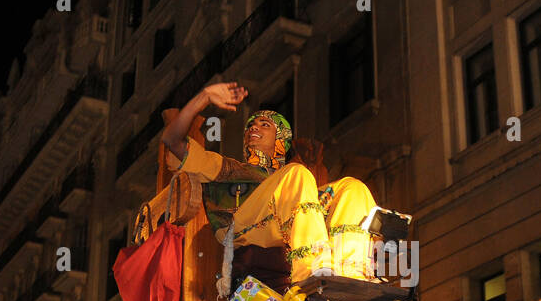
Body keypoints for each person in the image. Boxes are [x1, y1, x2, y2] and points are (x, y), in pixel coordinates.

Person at [160, 82, 381, 289]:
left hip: (280, 227)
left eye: (264, 124)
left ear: (281, 140)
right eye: (251, 125)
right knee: (297, 173)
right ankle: (310, 270)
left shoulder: (293, 179)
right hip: (240, 232)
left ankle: (352, 274)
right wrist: (204, 96)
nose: (253, 127)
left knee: (353, 187)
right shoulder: (224, 165)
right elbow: (172, 140)